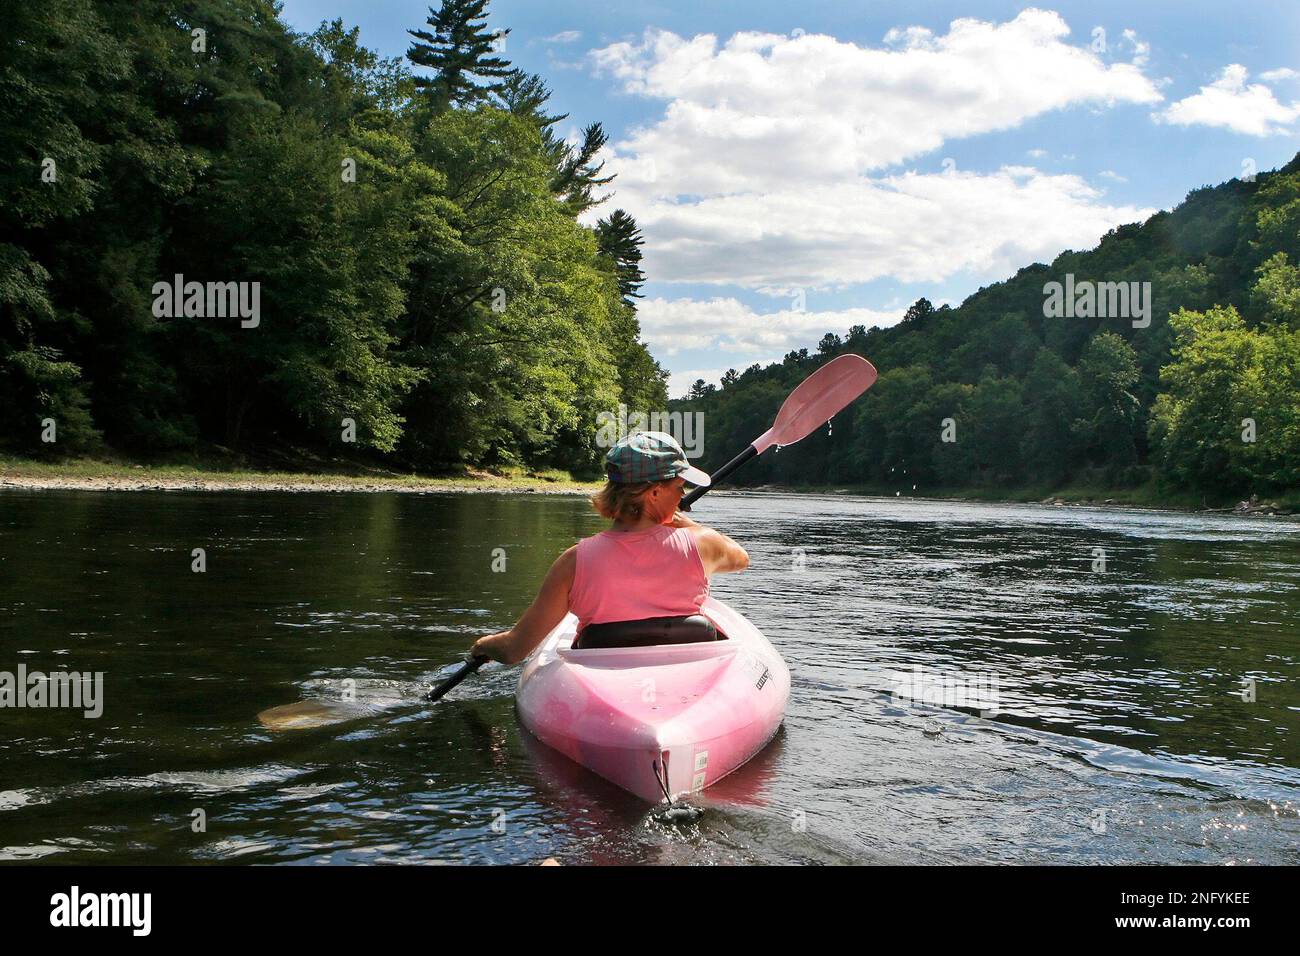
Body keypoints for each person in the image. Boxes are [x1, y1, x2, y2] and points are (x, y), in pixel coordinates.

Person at [468, 431, 750, 664]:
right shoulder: (704, 544)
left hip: (605, 673)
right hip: (684, 670)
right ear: (654, 492)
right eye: (679, 487)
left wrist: (483, 644)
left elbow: (514, 650)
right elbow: (741, 558)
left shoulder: (574, 561)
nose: (682, 495)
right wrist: (684, 523)